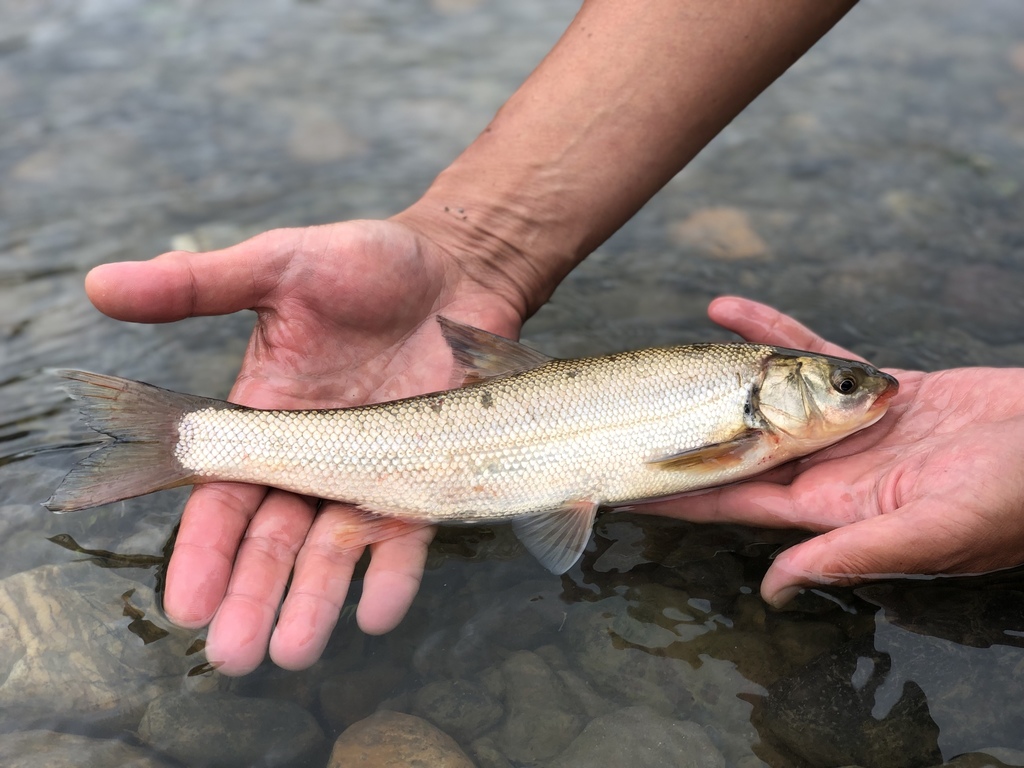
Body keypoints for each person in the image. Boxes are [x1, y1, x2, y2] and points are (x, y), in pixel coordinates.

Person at [83, 0, 1024, 676]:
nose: (868, 394)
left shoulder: (751, 407)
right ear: (774, 395)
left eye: (850, 386)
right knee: (248, 470)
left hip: (522, 441)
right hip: (516, 428)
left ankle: (191, 440)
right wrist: (471, 243)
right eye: (846, 387)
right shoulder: (741, 421)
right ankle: (190, 439)